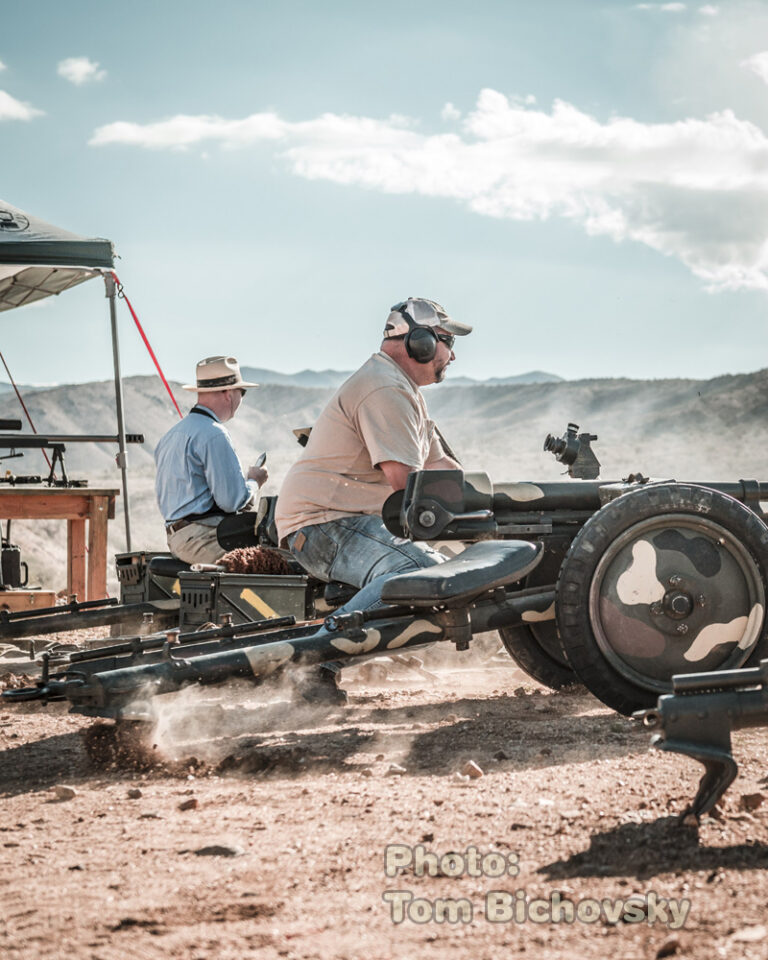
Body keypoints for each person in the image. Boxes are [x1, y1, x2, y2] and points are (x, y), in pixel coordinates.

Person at [276, 297, 472, 613]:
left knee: (452, 567)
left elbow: (440, 468)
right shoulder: (384, 389)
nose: (453, 355)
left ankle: (382, 659)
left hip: (342, 521)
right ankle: (321, 654)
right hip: (325, 524)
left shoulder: (403, 390)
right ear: (420, 343)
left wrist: (493, 511)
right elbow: (408, 487)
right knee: (419, 575)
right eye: (447, 341)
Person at [155, 355, 269, 564]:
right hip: (204, 539)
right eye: (241, 392)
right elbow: (231, 501)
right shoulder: (214, 433)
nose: (241, 399)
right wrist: (254, 481)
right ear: (228, 393)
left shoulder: (170, 436)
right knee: (276, 564)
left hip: (179, 538)